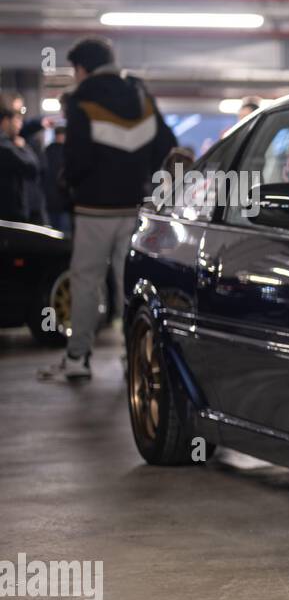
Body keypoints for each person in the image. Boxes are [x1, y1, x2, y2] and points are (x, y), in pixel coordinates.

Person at [39, 37, 175, 382]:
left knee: (86, 282)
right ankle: (135, 358)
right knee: (131, 284)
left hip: (93, 209)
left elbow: (77, 158)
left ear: (82, 68)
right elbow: (166, 145)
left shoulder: (82, 98)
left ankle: (77, 358)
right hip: (136, 209)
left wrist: (68, 186)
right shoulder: (140, 93)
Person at [0, 93, 42, 222]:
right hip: (10, 215)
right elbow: (32, 168)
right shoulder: (6, 146)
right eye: (17, 118)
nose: (20, 124)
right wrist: (24, 148)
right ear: (6, 120)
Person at [42, 123, 74, 234]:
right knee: (65, 234)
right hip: (64, 201)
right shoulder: (68, 152)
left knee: (53, 233)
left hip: (50, 200)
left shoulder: (47, 151)